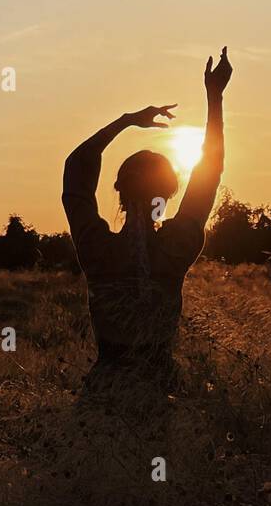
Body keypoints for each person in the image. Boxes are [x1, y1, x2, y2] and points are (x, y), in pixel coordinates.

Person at [62, 47, 233, 387]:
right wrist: (215, 97)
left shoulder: (97, 249)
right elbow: (209, 171)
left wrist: (127, 121)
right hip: (160, 397)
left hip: (101, 399)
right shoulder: (176, 249)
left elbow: (77, 168)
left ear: (119, 192)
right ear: (169, 195)